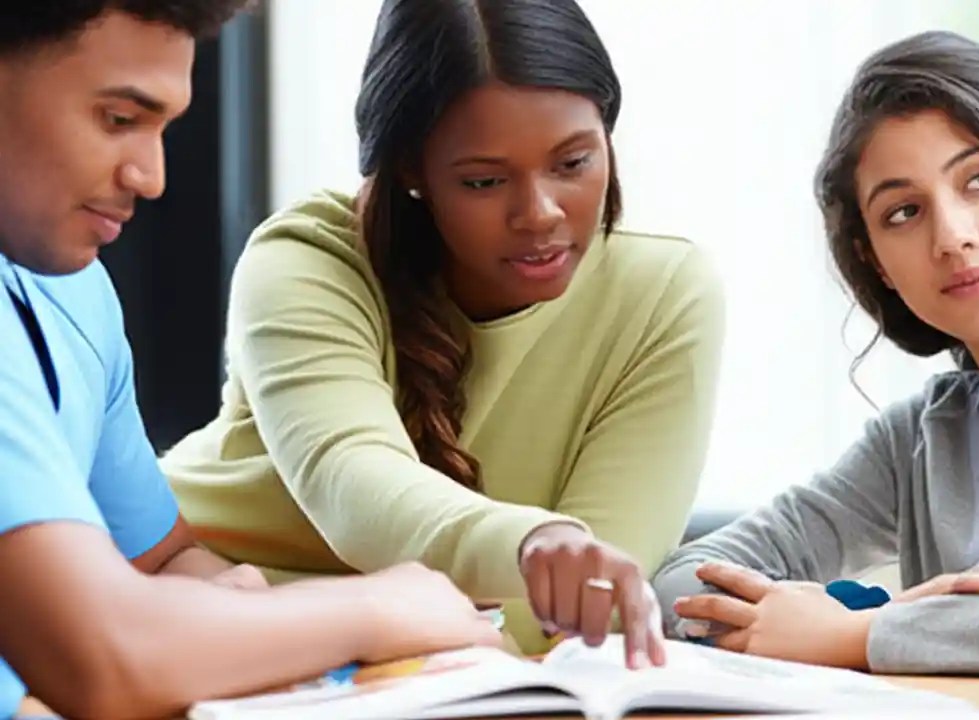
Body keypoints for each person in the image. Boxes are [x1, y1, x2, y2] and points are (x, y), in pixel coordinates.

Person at [160, 0, 724, 663]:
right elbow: (356, 489)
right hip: (201, 608)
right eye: (484, 180)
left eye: (573, 163)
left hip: (431, 661)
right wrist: (530, 546)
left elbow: (587, 601)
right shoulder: (306, 261)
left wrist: (519, 607)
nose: (540, 214)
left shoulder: (663, 292)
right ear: (411, 171)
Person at [0, 4, 507, 720]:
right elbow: (103, 656)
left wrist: (240, 615)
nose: (151, 177)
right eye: (118, 119)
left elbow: (158, 559)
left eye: (163, 128)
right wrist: (377, 608)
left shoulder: (75, 292)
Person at [651, 30, 979, 677]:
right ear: (875, 262)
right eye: (903, 212)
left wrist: (866, 632)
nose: (952, 236)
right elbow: (680, 585)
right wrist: (848, 618)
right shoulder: (922, 433)